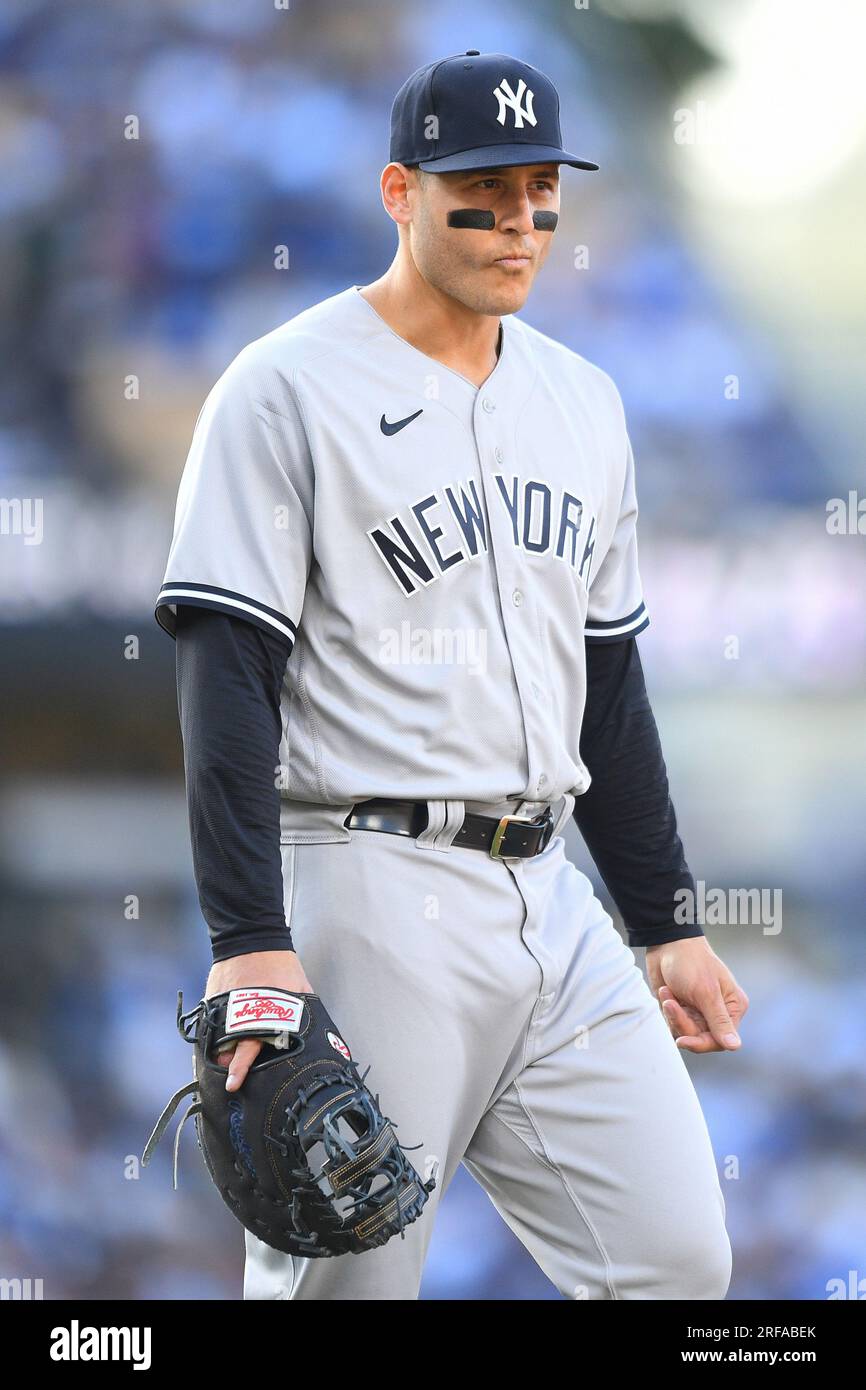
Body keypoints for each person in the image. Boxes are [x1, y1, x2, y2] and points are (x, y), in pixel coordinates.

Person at [156, 50, 745, 1301]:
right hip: (372, 889)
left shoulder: (584, 404)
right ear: (399, 192)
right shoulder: (285, 388)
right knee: (345, 1286)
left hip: (554, 893)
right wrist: (249, 942)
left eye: (540, 189)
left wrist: (666, 921)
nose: (517, 219)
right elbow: (228, 677)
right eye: (480, 189)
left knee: (678, 1266)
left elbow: (611, 684)